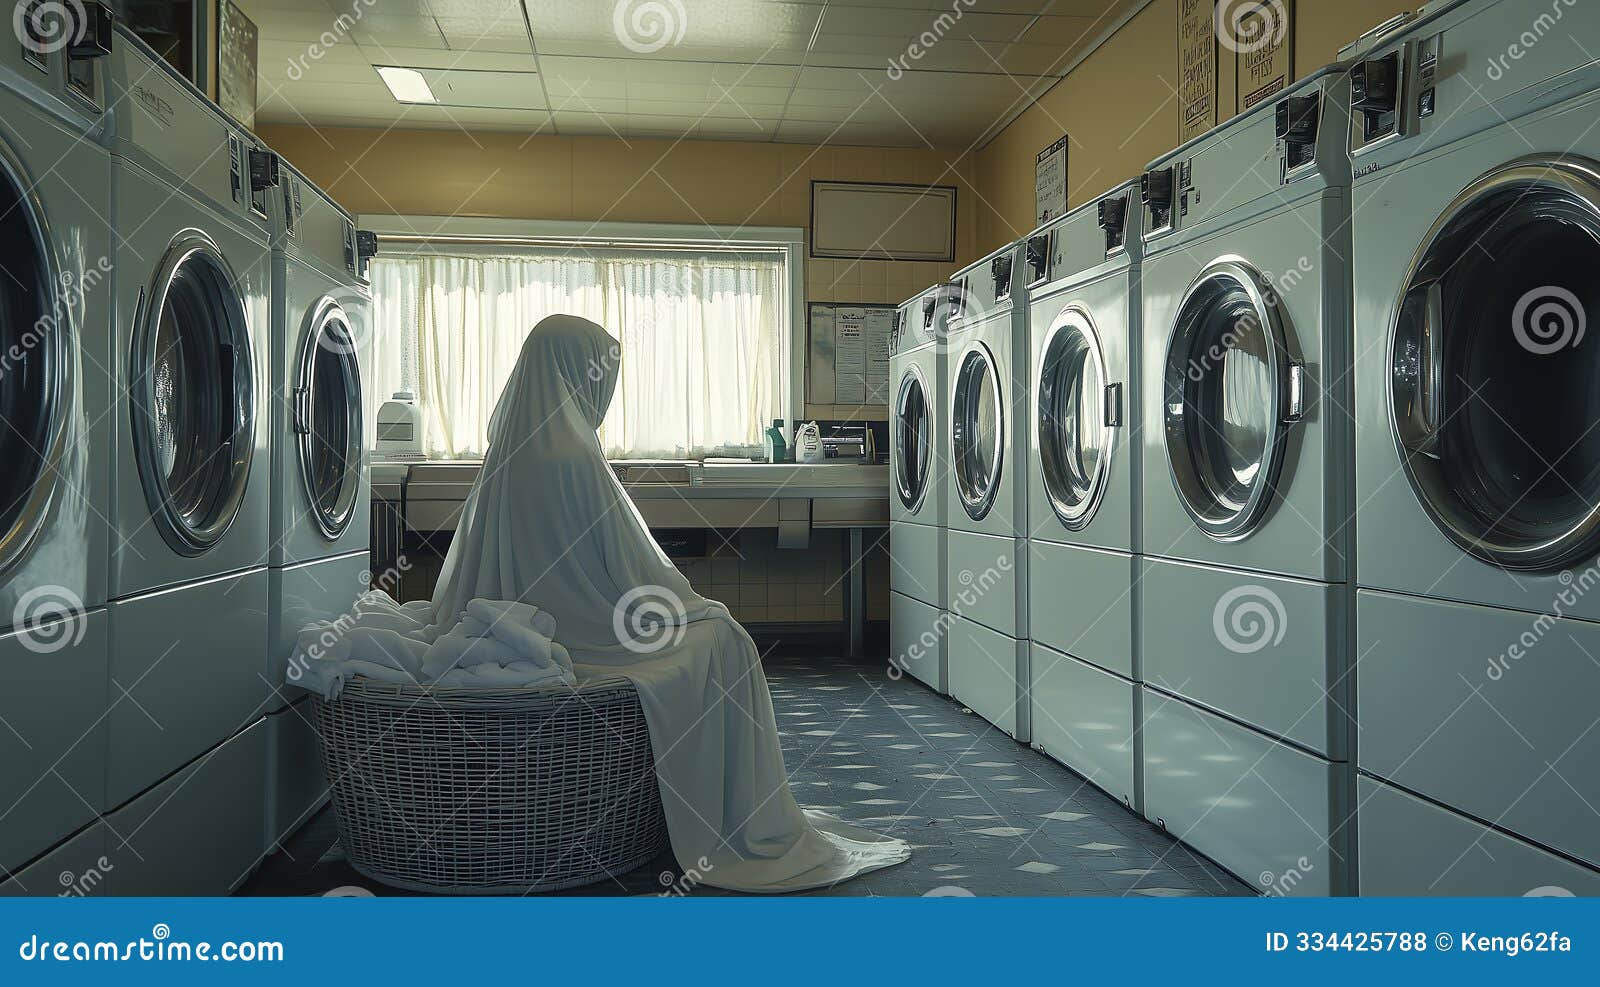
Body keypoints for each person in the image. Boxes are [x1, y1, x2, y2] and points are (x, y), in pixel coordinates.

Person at [429, 314, 909, 892]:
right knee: (727, 638)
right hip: (592, 631)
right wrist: (690, 605)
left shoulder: (510, 447)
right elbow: (629, 566)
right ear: (576, 372)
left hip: (528, 619)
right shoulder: (573, 453)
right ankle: (733, 812)